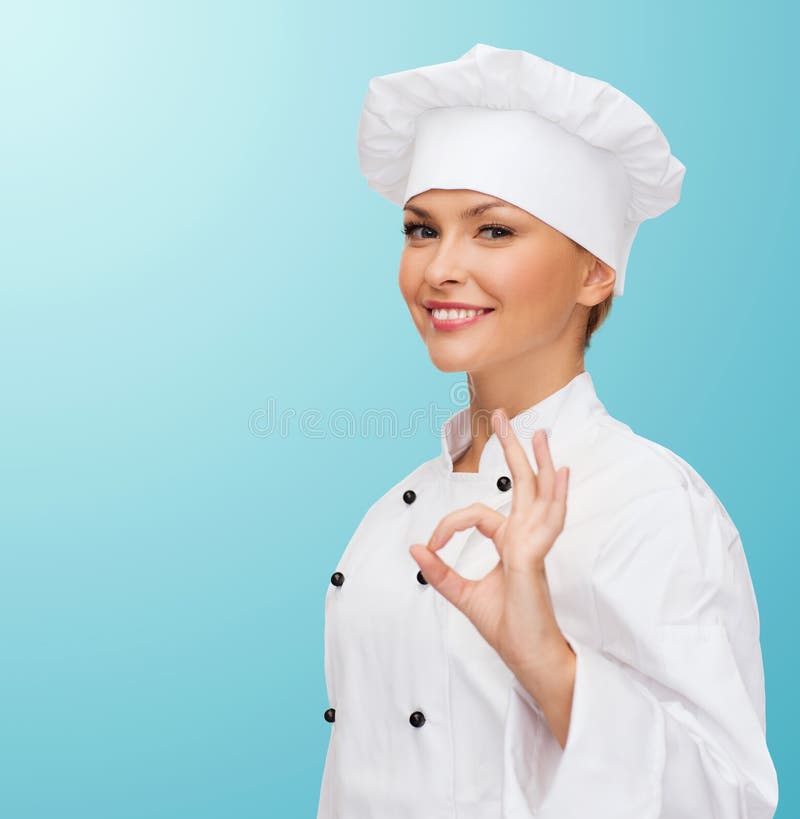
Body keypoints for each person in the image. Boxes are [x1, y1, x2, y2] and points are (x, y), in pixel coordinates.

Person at [316, 43, 779, 818]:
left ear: (595, 270)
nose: (439, 269)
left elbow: (724, 798)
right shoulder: (388, 517)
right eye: (421, 230)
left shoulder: (647, 501)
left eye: (493, 231)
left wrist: (547, 664)